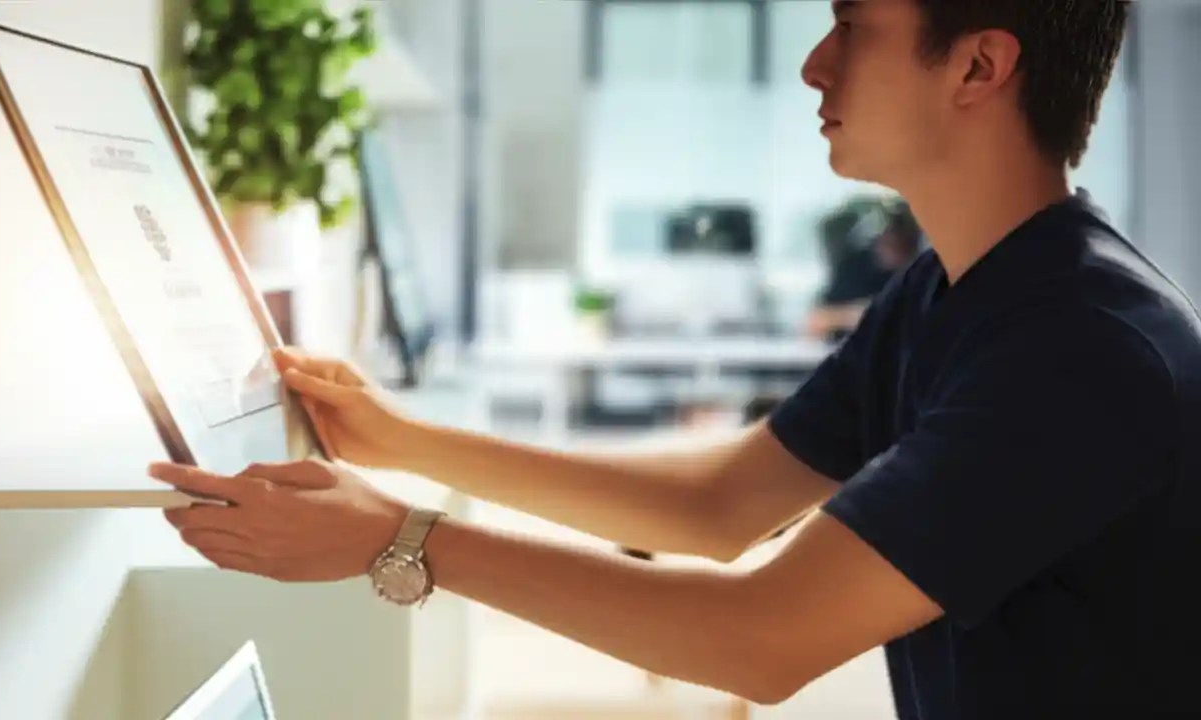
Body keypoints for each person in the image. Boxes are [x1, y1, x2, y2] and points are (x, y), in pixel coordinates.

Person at [149, 1, 1201, 716]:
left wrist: (398, 538)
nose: (814, 64)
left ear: (977, 65)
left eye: (850, 24)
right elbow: (720, 503)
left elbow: (763, 639)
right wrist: (402, 441)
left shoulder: (1083, 348)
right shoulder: (950, 293)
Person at [806, 198, 923, 340]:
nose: (894, 242)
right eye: (889, 235)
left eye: (902, 238)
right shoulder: (855, 268)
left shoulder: (924, 273)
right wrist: (855, 315)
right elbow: (815, 322)